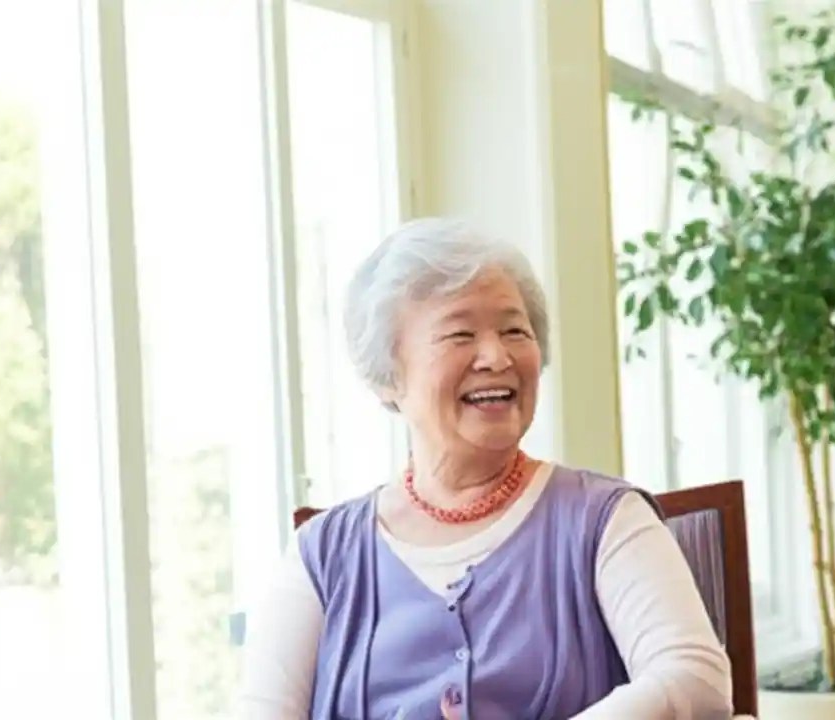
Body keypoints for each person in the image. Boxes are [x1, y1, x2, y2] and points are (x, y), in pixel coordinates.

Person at [239, 217, 733, 719]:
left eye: (515, 330)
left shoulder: (603, 519)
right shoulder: (322, 555)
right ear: (388, 376)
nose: (496, 356)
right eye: (459, 334)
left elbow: (693, 680)